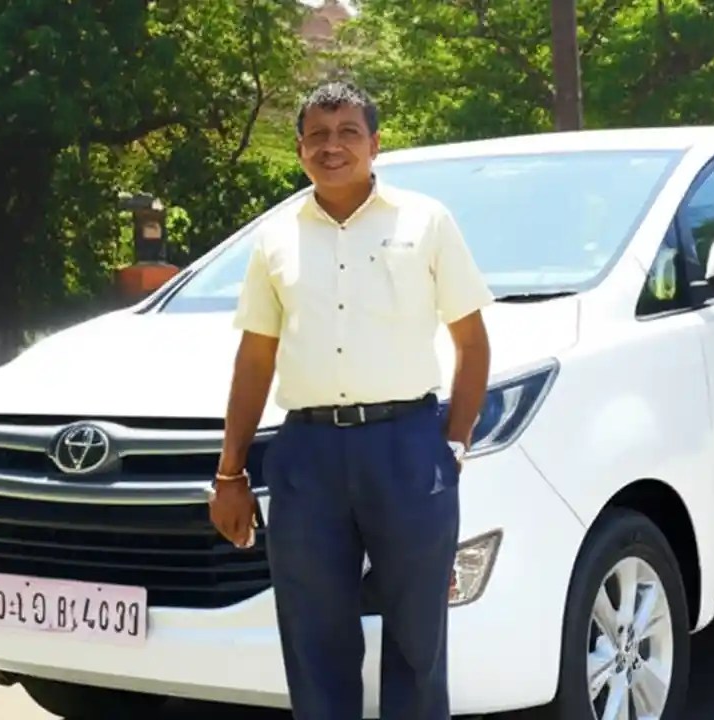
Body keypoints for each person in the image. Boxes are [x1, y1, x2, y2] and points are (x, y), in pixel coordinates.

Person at [208, 81, 494, 720]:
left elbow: (472, 343)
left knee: (419, 638)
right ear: (301, 147)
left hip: (408, 448)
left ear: (374, 143)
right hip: (306, 454)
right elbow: (254, 359)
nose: (331, 146)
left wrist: (452, 443)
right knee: (314, 637)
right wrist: (229, 473)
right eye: (317, 134)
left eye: (347, 132)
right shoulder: (275, 237)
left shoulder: (426, 222)